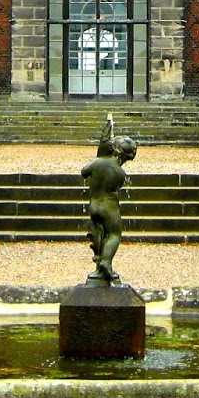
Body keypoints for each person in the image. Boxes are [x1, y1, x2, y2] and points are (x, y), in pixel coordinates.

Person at [81, 115, 138, 284]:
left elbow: (84, 172)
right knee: (114, 234)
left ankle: (99, 262)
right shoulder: (120, 173)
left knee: (98, 233)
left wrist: (99, 156)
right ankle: (106, 262)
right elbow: (116, 187)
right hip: (109, 207)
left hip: (94, 205)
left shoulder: (98, 162)